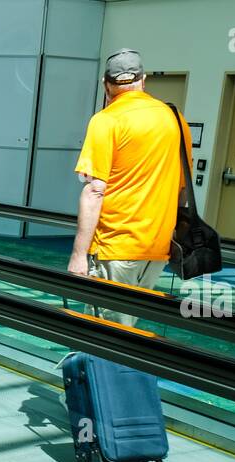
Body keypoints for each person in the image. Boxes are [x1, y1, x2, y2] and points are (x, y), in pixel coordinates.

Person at [69, 49, 190, 326]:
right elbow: (182, 188)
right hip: (157, 248)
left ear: (106, 85)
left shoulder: (106, 120)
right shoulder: (175, 118)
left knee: (104, 330)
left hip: (116, 246)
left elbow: (94, 190)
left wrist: (78, 255)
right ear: (143, 80)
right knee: (128, 325)